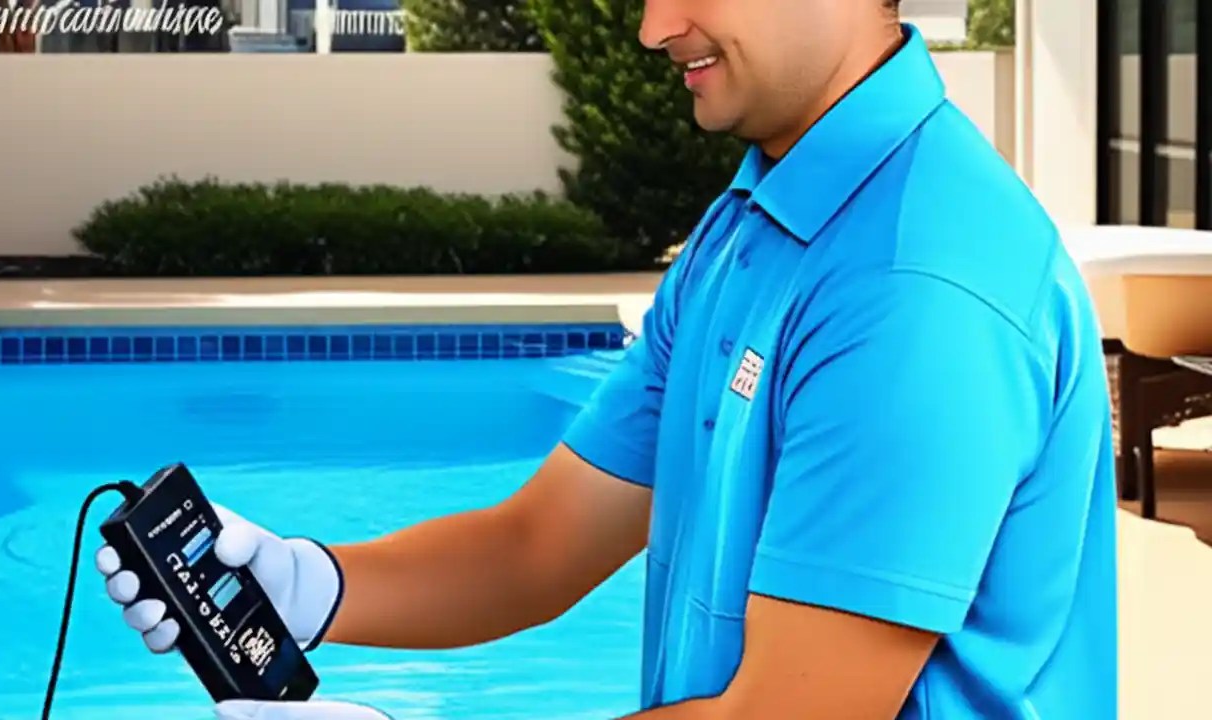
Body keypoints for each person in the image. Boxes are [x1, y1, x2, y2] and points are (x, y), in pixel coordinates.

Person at [95, 2, 1120, 718]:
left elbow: (790, 714)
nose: (651, 26)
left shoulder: (914, 286)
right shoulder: (753, 222)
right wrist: (310, 587)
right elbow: (540, 543)